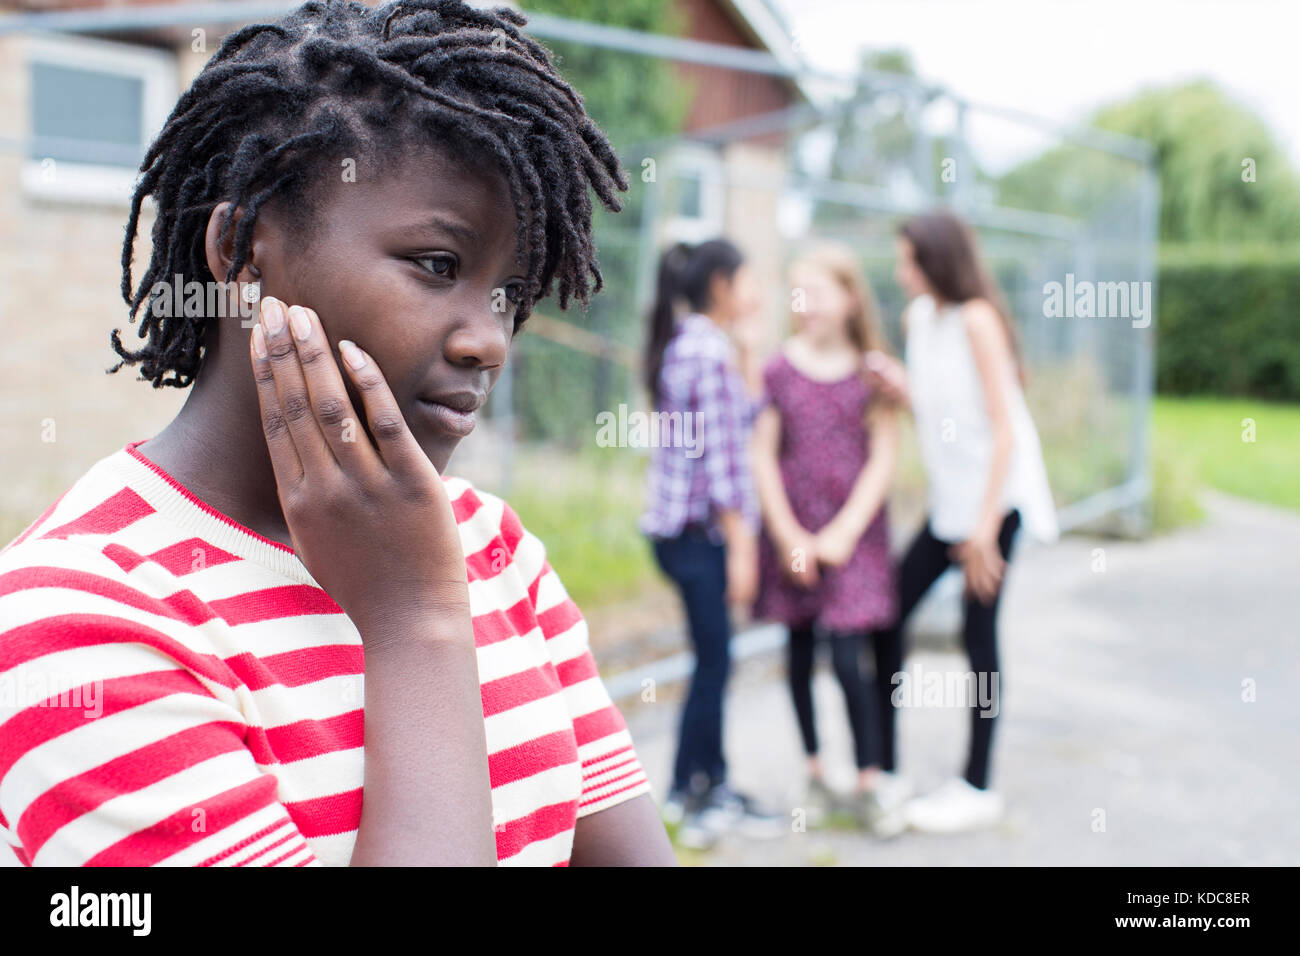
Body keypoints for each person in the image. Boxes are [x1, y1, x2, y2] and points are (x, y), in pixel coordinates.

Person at [0, 0, 676, 867]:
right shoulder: (74, 622)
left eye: (510, 290)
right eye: (439, 266)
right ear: (243, 250)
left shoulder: (490, 546)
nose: (491, 340)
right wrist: (415, 622)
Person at [866, 209, 1058, 834]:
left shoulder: (978, 319)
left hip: (995, 503)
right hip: (951, 507)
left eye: (908, 261)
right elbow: (944, 404)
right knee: (887, 612)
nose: (900, 272)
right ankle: (886, 770)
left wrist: (984, 529)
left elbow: (1004, 428)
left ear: (936, 261)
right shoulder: (918, 319)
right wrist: (901, 385)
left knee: (979, 637)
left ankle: (978, 785)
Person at [751, 243, 909, 834]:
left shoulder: (872, 373)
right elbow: (764, 456)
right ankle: (814, 772)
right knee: (798, 651)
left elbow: (883, 457)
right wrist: (790, 534)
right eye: (798, 292)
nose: (805, 304)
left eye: (817, 291)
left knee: (849, 657)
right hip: (792, 536)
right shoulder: (779, 369)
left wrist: (841, 535)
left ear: (848, 298)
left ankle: (871, 780)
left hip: (854, 544)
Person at [639, 239, 781, 848]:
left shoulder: (694, 343)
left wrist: (747, 355)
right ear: (722, 283)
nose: (758, 292)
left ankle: (710, 781)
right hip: (702, 536)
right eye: (750, 277)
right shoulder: (707, 351)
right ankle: (689, 793)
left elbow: (737, 424)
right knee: (715, 662)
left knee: (713, 659)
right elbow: (726, 468)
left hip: (682, 534)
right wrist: (744, 549)